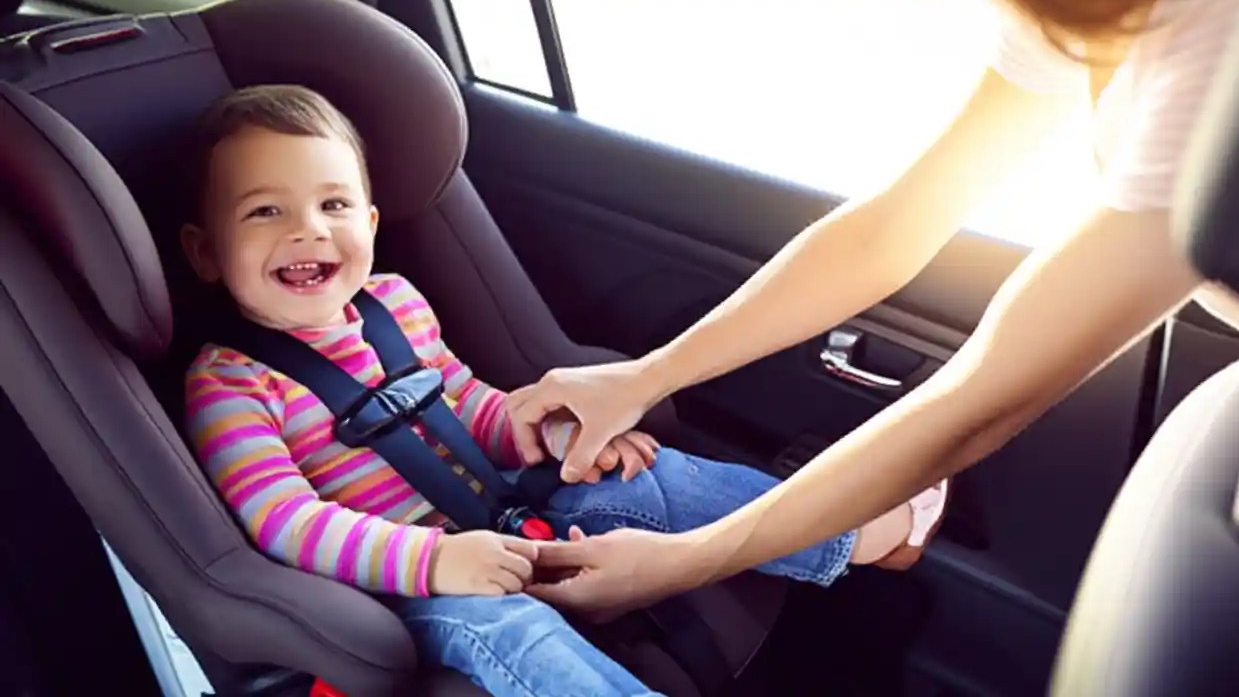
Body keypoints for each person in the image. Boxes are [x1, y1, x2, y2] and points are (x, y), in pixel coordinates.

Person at [511, 0, 1239, 616]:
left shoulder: (1226, 33)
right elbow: (896, 227)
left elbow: (986, 397)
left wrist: (680, 563)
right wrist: (648, 375)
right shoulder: (1069, 6)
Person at [177, 84, 941, 697]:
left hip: (506, 501)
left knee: (656, 479)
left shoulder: (394, 303)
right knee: (509, 633)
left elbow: (464, 402)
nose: (309, 230)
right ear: (207, 251)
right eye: (266, 211)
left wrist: (554, 439)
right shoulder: (230, 381)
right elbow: (283, 521)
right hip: (401, 582)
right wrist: (437, 564)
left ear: (371, 221)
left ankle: (864, 536)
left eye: (334, 205)